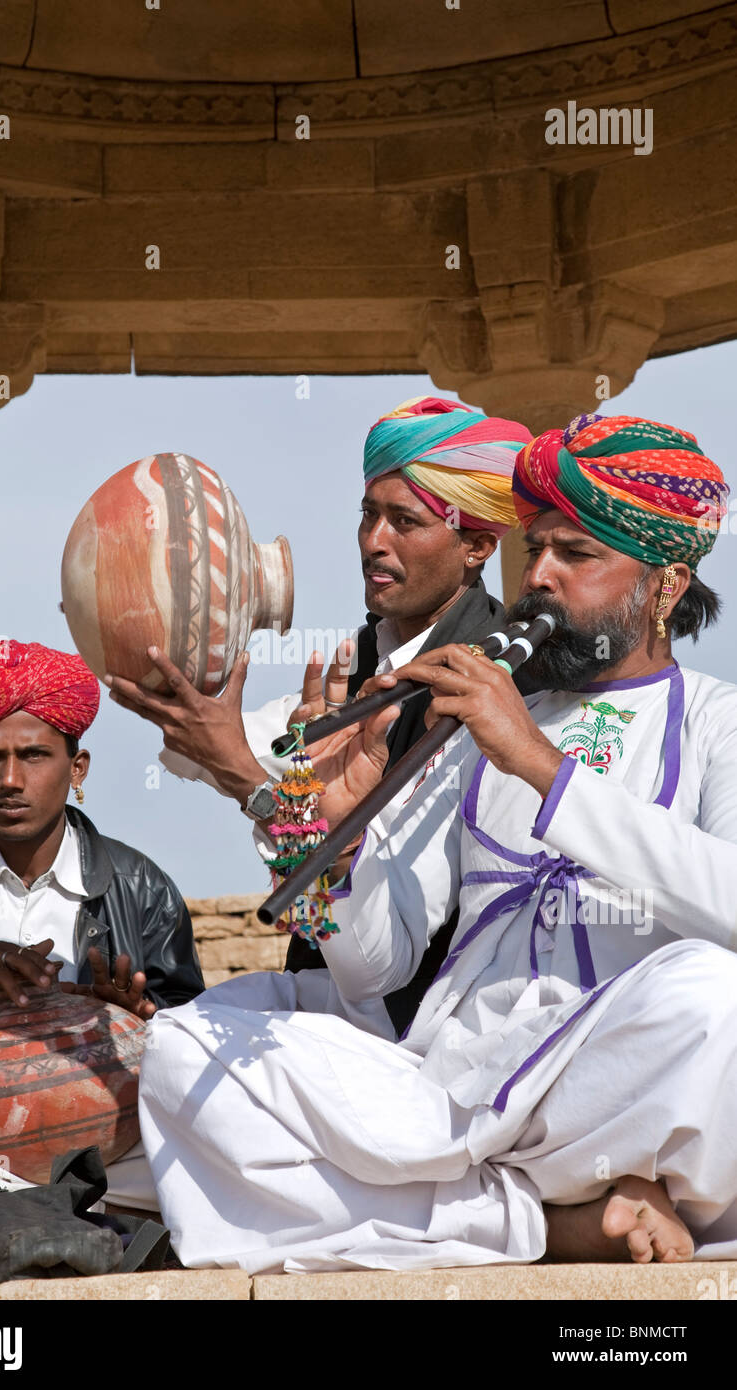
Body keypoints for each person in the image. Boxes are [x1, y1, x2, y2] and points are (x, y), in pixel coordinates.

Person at [137, 412, 737, 1273]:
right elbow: (376, 968)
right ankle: (548, 1221)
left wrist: (539, 767)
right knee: (186, 1048)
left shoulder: (717, 721)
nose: (542, 579)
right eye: (537, 550)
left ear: (668, 586)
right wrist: (334, 836)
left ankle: (482, 1209)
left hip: (615, 1085)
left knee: (717, 993)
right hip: (452, 1093)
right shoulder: (478, 725)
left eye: (578, 555)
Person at [108, 397, 533, 1030]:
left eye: (404, 522)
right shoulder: (354, 663)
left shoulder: (492, 693)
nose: (373, 542)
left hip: (421, 1039)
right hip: (325, 1013)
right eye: (367, 516)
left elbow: (377, 967)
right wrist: (145, 610)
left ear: (474, 546)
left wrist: (255, 787)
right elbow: (209, 737)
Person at [0, 638, 204, 1120]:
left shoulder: (142, 889)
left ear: (77, 768)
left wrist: (133, 1021)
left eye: (33, 756)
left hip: (104, 1151)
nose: (9, 779)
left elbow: (192, 1042)